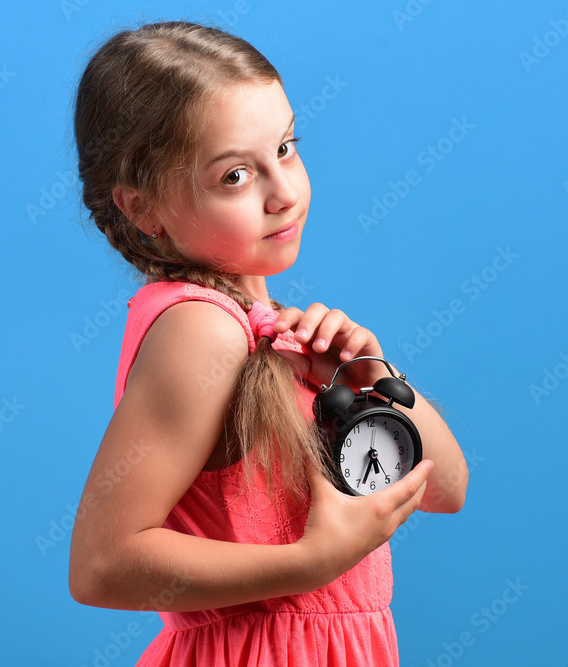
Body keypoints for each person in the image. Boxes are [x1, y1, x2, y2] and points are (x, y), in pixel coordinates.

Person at [67, 20, 468, 666]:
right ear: (143, 209)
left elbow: (446, 486)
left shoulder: (277, 329)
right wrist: (307, 563)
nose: (284, 193)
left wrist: (372, 377)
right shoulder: (203, 330)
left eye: (285, 147)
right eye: (235, 176)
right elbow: (101, 562)